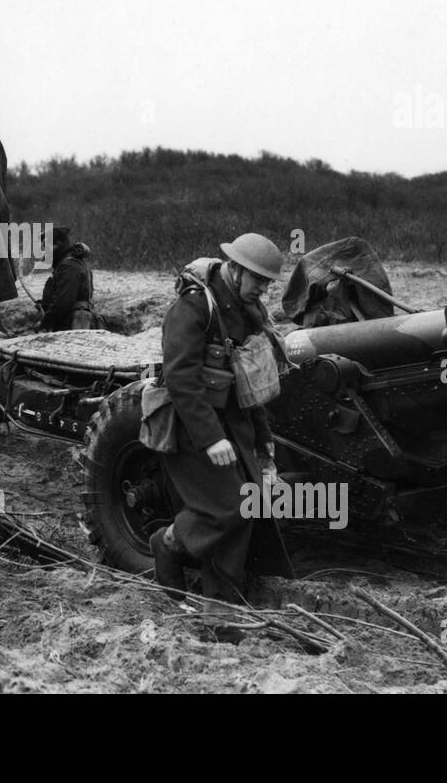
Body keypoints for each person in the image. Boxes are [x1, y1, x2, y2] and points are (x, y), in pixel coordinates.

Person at [150, 232, 294, 641]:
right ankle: (168, 543)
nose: (263, 288)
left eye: (268, 282)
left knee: (246, 508)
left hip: (235, 427)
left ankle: (220, 611)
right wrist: (212, 438)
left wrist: (264, 439)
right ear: (235, 270)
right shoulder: (195, 307)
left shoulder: (249, 311)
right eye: (259, 280)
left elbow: (253, 383)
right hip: (190, 425)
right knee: (228, 507)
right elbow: (180, 379)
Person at [38, 226, 95, 331]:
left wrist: (45, 323)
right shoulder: (70, 263)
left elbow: (63, 303)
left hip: (72, 325)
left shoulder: (69, 266)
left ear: (59, 244)